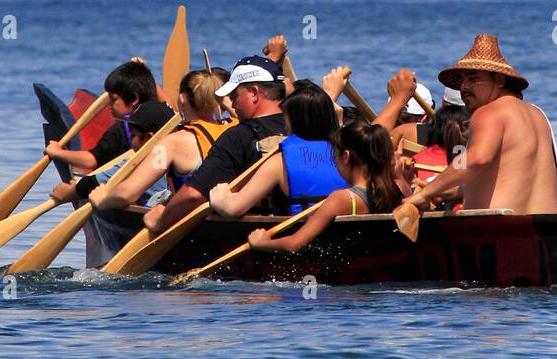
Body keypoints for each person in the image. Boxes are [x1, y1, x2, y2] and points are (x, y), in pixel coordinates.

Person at [405, 35, 557, 216]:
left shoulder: (489, 112)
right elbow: (514, 177)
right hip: (545, 232)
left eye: (473, 78)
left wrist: (426, 192)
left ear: (499, 80)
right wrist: (452, 190)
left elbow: (476, 158)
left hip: (499, 232)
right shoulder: (538, 116)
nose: (464, 87)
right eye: (463, 80)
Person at [141, 55, 287, 234]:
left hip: (248, 235)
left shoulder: (237, 137)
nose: (232, 103)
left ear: (255, 93)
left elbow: (193, 196)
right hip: (301, 227)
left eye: (234, 96)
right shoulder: (307, 128)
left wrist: (161, 220)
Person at [54, 68, 231, 211]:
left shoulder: (173, 142)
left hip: (185, 216)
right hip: (220, 211)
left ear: (182, 98)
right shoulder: (235, 128)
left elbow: (125, 194)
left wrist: (102, 201)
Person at [246, 120, 400, 254]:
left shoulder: (341, 199)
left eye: (335, 155)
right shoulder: (394, 190)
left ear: (346, 157)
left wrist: (262, 243)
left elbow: (294, 245)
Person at [209, 85, 344, 218]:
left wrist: (220, 196)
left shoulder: (279, 162)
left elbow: (232, 209)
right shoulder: (345, 156)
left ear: (293, 120)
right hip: (341, 231)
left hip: (297, 233)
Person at [45, 59, 167, 172]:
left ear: (134, 99)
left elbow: (91, 160)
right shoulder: (165, 114)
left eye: (114, 100)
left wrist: (57, 152)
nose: (109, 105)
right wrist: (145, 76)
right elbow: (170, 106)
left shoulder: (122, 129)